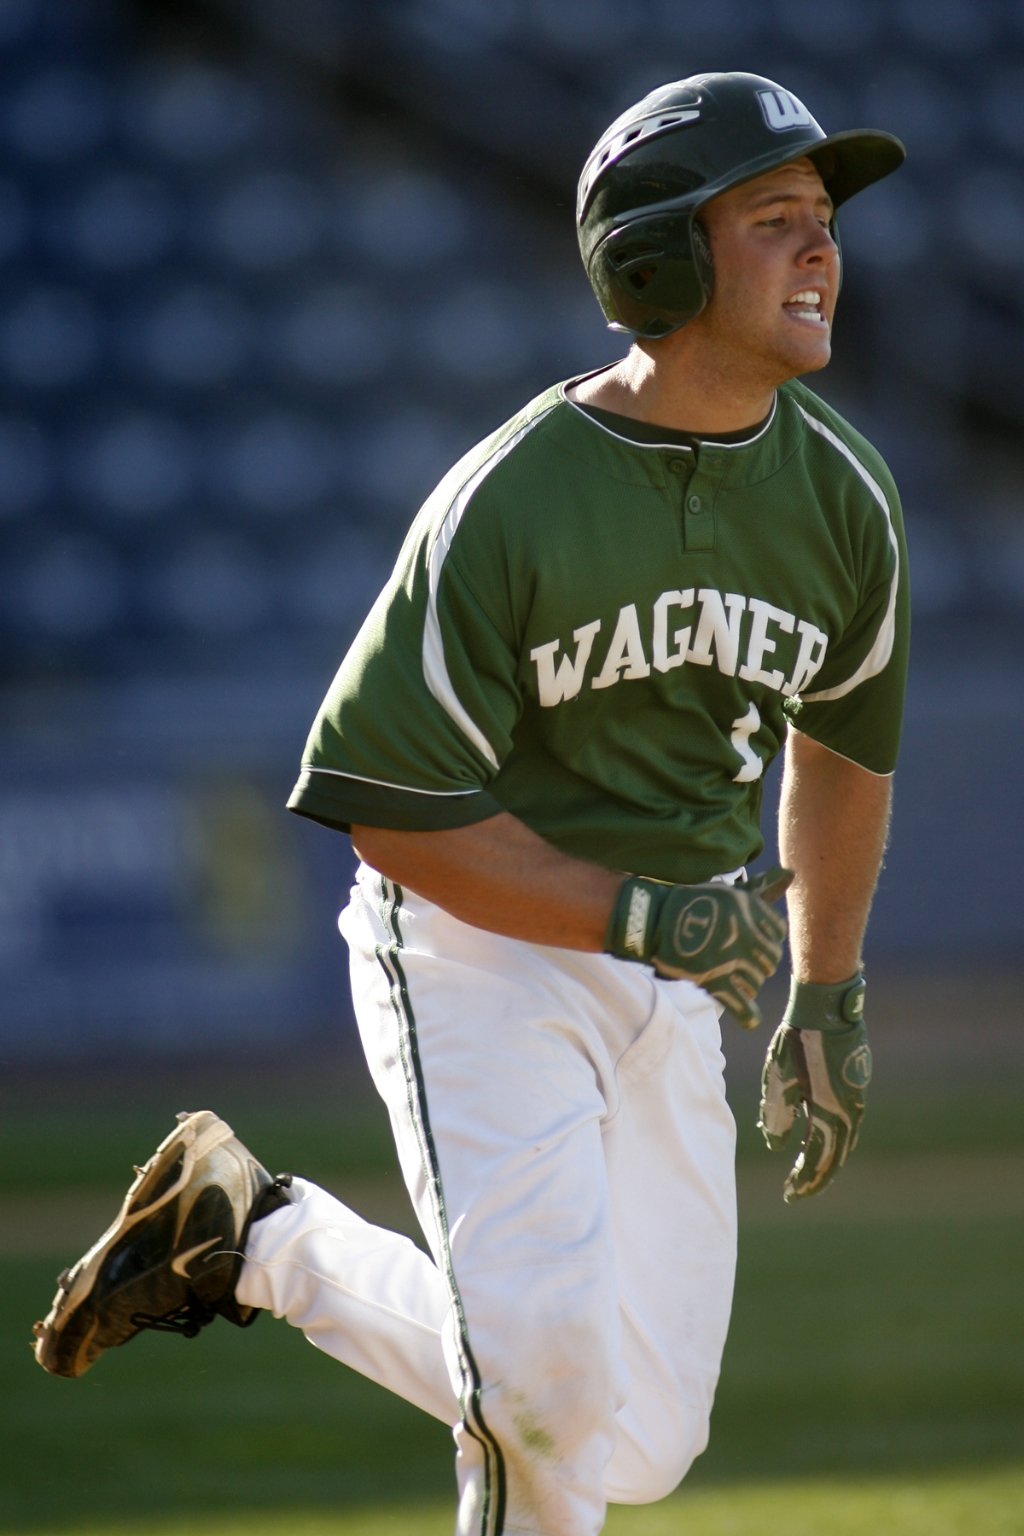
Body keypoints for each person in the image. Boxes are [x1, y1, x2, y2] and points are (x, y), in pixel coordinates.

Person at [34, 73, 908, 1536]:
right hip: (475, 953)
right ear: (660, 261)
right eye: (774, 221)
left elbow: (843, 748)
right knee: (547, 1402)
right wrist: (638, 909)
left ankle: (259, 1241)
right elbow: (393, 811)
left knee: (641, 1442)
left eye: (824, 221)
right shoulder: (511, 500)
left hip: (680, 971)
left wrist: (829, 989)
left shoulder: (845, 500)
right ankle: (270, 1250)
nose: (822, 251)